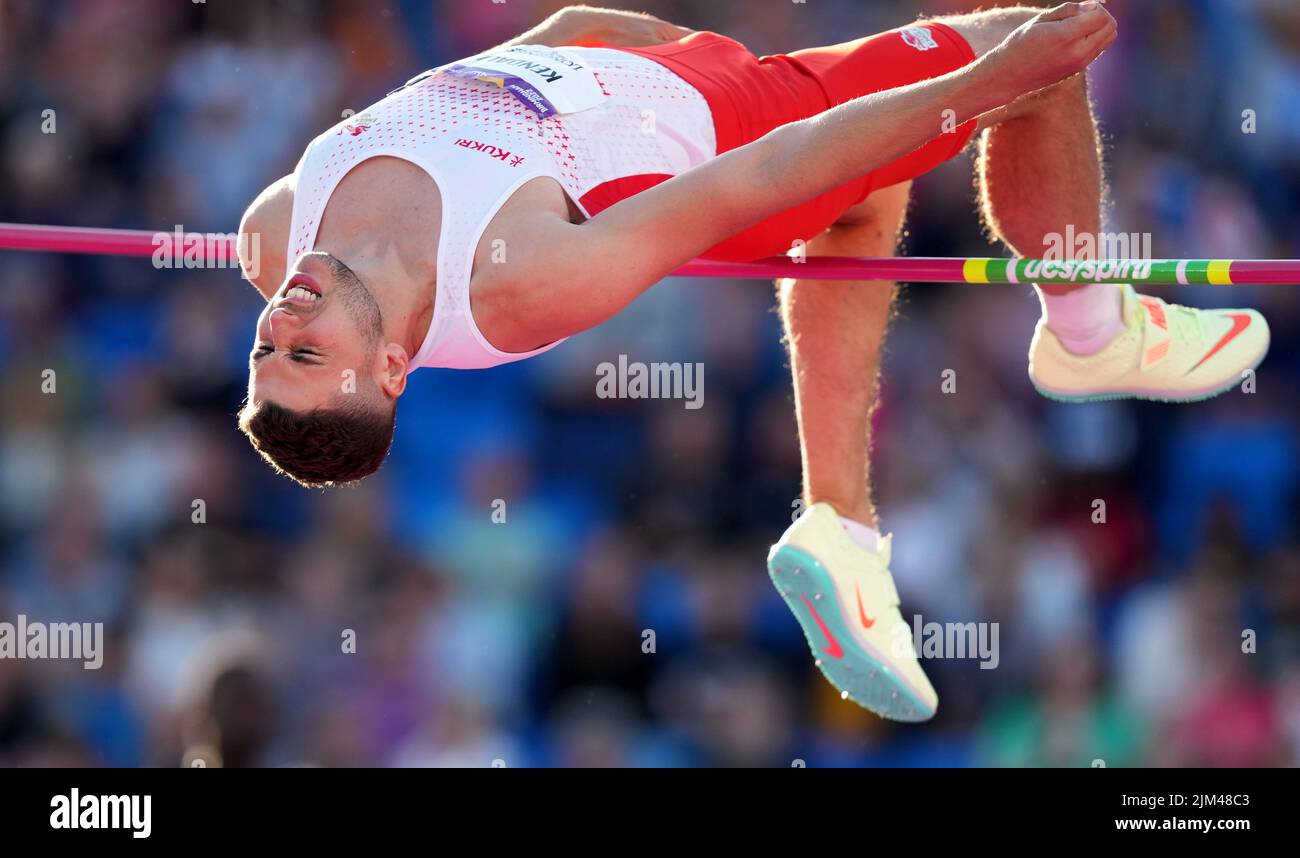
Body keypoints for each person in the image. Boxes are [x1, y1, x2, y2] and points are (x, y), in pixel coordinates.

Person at [234, 3, 1268, 720]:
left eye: (268, 348)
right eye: (307, 352)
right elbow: (770, 171)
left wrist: (584, 36)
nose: (286, 318)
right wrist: (985, 86)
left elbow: (469, 90)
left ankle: (841, 528)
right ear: (386, 375)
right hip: (743, 118)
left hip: (650, 69)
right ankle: (1091, 331)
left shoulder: (273, 231)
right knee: (1039, 52)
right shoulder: (517, 279)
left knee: (863, 206)